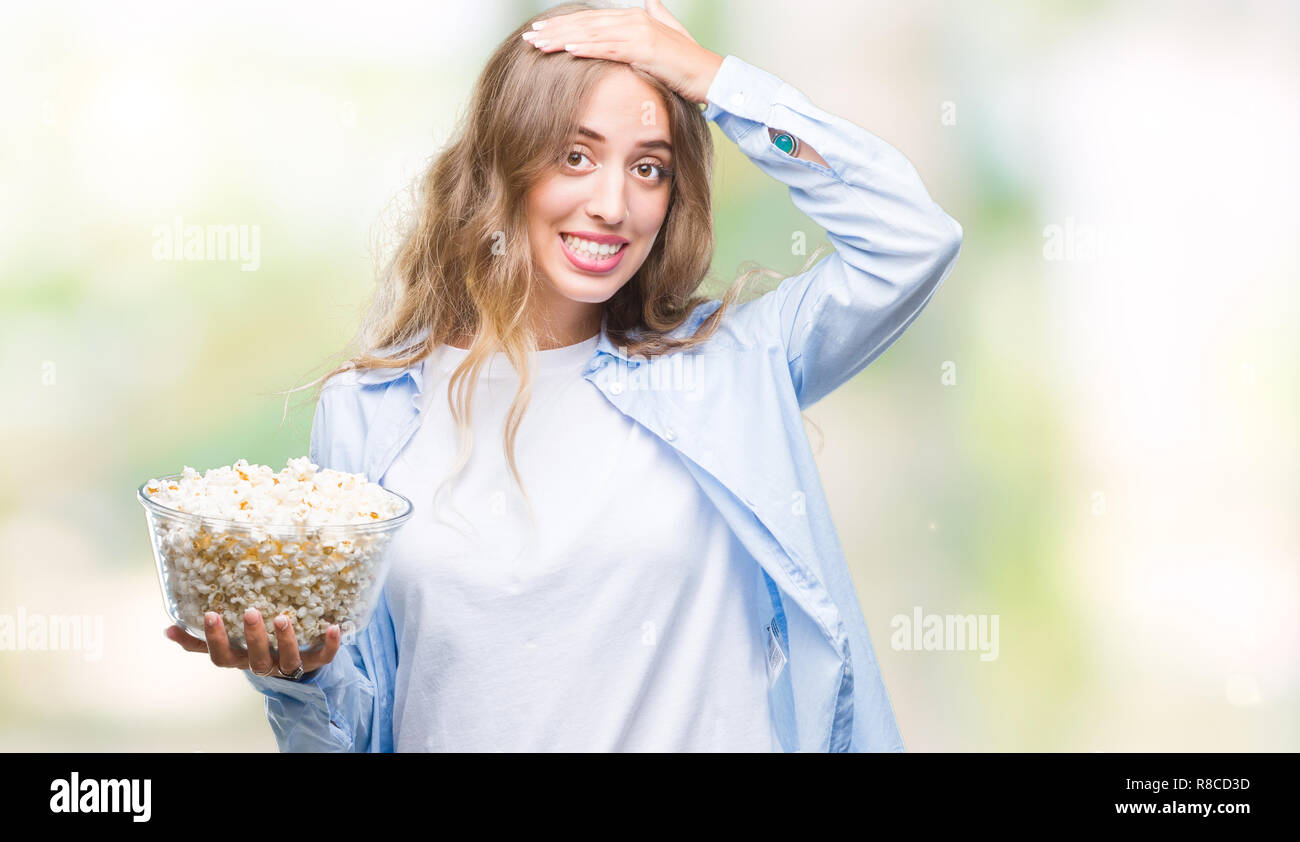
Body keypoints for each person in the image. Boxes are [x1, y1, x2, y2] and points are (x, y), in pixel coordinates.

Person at [164, 0, 963, 752]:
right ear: (502, 167)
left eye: (649, 167)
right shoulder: (368, 414)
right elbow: (361, 726)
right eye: (575, 156)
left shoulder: (729, 368)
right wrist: (296, 678)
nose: (613, 204)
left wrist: (715, 81)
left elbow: (910, 238)